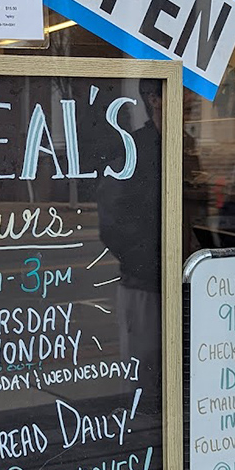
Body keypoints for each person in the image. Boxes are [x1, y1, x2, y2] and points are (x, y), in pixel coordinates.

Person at [96, 78, 162, 409]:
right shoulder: (133, 149)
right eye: (185, 93)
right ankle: (142, 452)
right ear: (154, 99)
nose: (193, 102)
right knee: (145, 380)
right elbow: (111, 221)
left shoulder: (185, 146)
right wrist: (148, 263)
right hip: (144, 284)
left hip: (184, 283)